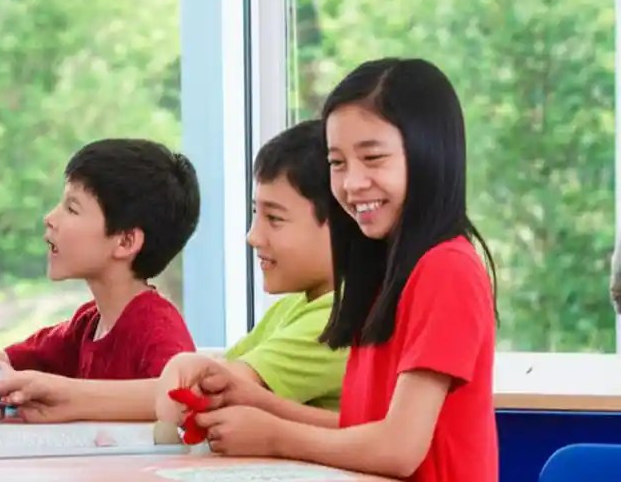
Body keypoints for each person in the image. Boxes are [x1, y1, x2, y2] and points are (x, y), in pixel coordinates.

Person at [161, 58, 498, 482]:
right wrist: (256, 402)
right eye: (337, 163)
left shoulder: (446, 268)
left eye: (372, 158)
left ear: (430, 153)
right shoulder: (384, 272)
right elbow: (363, 432)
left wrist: (276, 436)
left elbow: (397, 450)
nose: (352, 183)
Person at [0, 138, 200, 421]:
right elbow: (15, 362)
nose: (50, 218)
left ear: (126, 241)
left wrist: (70, 396)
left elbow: (181, 397)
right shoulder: (88, 324)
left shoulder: (157, 327)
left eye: (72, 208)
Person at [156, 119, 346, 414]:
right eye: (256, 213)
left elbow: (206, 388)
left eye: (275, 219)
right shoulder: (292, 307)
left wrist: (69, 395)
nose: (252, 236)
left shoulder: (338, 318)